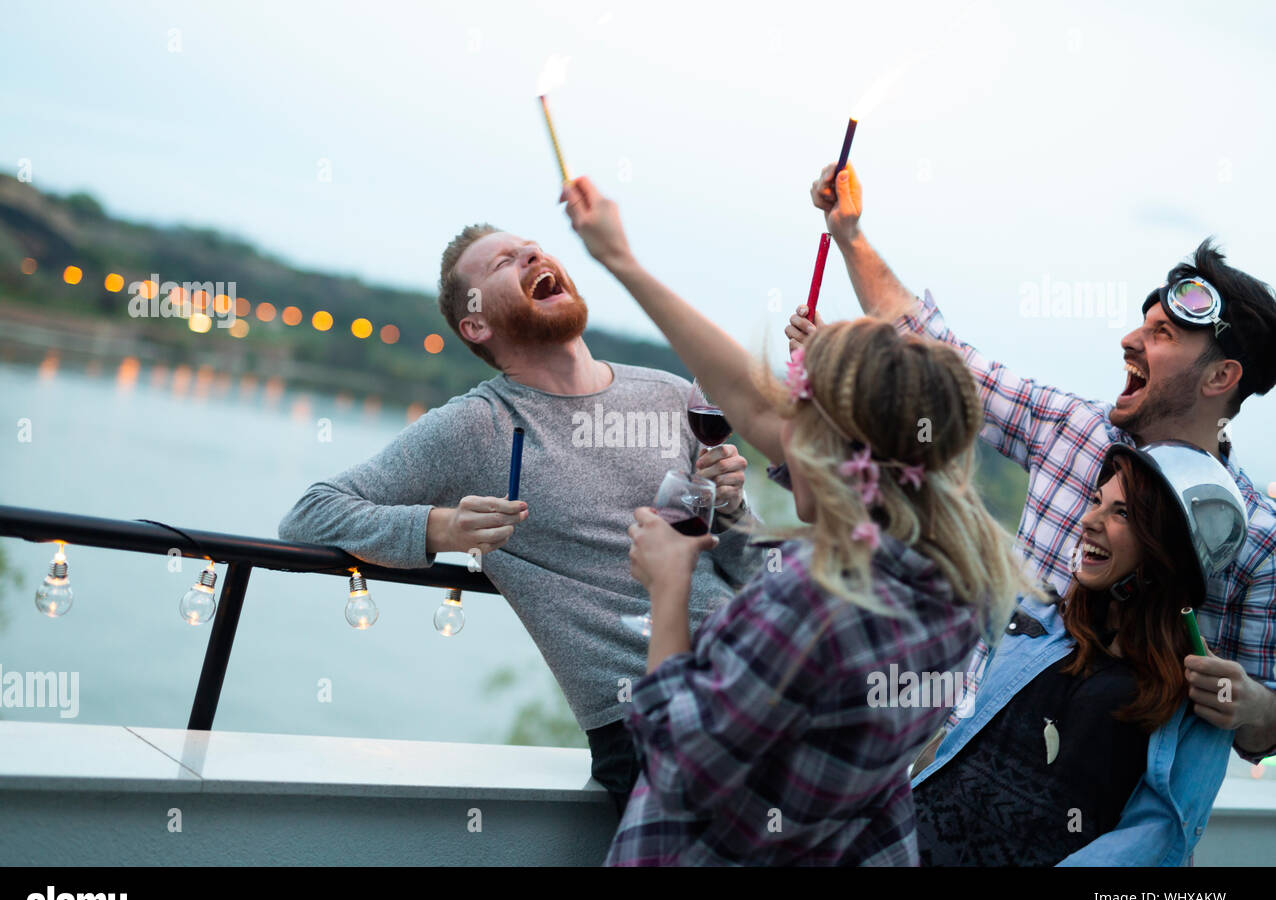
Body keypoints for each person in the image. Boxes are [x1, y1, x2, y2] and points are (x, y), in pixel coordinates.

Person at [561, 177, 1031, 864]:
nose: (784, 435)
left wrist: (669, 585)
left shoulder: (814, 598)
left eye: (801, 423)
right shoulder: (964, 575)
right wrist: (622, 262)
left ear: (832, 448)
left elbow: (676, 764)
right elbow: (751, 408)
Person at [789, 162, 1276, 763]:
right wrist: (849, 232)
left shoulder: (1257, 539)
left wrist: (1255, 706)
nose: (1129, 340)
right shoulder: (1073, 426)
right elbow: (940, 353)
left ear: (1222, 377)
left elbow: (1262, 733)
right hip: (949, 753)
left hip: (1092, 825)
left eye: (1164, 334)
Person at [276, 224, 763, 816]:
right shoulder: (476, 426)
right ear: (476, 324)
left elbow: (755, 567)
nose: (533, 254)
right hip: (644, 722)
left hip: (760, 669)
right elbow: (309, 515)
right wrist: (441, 528)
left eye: (533, 247)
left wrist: (731, 507)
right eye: (505, 262)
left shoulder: (668, 396)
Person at [912, 441, 1248, 866]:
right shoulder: (1035, 615)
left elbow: (1158, 838)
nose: (1089, 521)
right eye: (1095, 501)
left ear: (1168, 552)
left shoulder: (1201, 697)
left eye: (1121, 513)